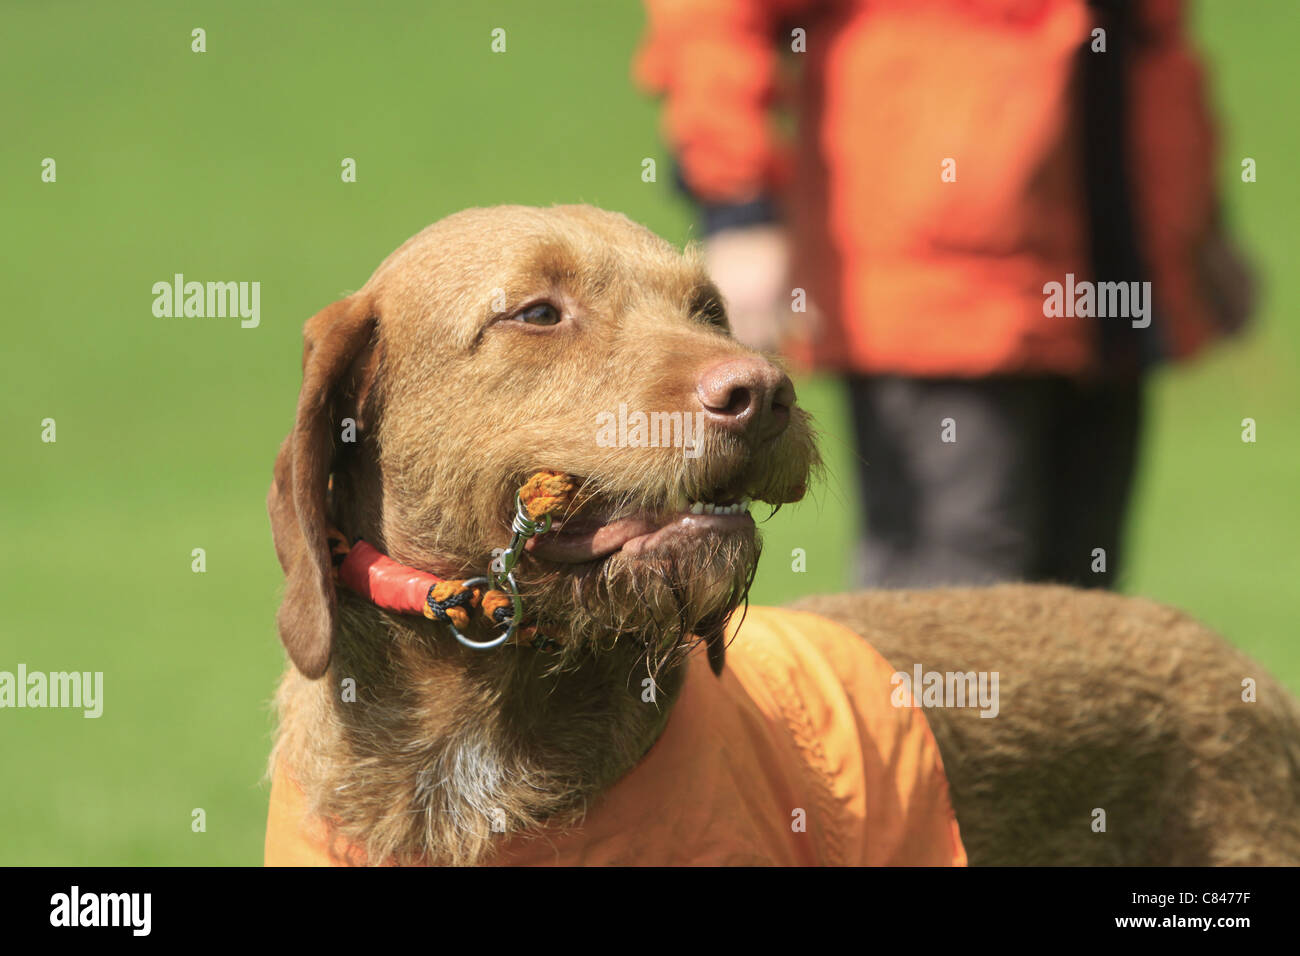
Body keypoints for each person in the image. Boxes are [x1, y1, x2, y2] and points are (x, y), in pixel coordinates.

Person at [636, 0, 1255, 589]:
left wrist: (1196, 223)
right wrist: (738, 204)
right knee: (952, 592)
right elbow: (715, 19)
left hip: (1106, 273)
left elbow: (1152, 38)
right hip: (937, 275)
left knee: (1083, 598)